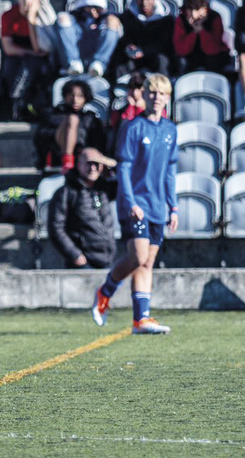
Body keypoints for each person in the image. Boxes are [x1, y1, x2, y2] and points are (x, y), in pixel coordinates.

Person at [91, 73, 178, 335]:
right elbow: (124, 169)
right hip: (135, 204)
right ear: (145, 95)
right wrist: (130, 201)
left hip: (158, 206)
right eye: (152, 92)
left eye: (162, 93)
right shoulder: (132, 127)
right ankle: (105, 291)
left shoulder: (170, 129)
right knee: (138, 256)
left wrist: (173, 207)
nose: (156, 97)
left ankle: (141, 319)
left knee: (147, 263)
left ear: (168, 98)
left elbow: (170, 171)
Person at [48, 147, 117, 269]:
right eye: (88, 163)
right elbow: (55, 227)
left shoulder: (103, 190)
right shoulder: (66, 192)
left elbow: (129, 176)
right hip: (83, 263)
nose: (92, 168)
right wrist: (74, 255)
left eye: (96, 164)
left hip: (107, 261)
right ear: (78, 164)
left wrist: (107, 162)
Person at [0, 0, 57, 118]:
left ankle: (24, 104)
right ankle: (15, 104)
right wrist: (29, 52)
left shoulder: (43, 18)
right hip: (17, 54)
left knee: (33, 66)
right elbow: (8, 48)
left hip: (36, 58)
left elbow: (39, 48)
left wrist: (31, 19)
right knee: (15, 68)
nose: (25, 1)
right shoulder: (8, 16)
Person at [34, 78, 106, 173]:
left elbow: (98, 142)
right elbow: (40, 137)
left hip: (83, 157)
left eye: (80, 96)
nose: (75, 100)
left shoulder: (90, 117)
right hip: (57, 153)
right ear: (65, 96)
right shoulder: (53, 114)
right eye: (71, 95)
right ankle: (67, 162)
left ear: (85, 98)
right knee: (72, 119)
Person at [109, 0, 175, 81]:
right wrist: (129, 46)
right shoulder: (128, 17)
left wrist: (144, 50)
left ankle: (162, 87)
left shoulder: (166, 20)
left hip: (154, 55)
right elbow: (124, 37)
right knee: (120, 58)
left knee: (162, 59)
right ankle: (121, 89)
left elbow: (164, 43)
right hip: (134, 56)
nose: (144, 2)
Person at [54, 0, 122, 78]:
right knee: (62, 18)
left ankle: (99, 63)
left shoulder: (107, 19)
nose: (94, 11)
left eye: (97, 8)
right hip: (74, 62)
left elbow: (118, 34)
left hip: (98, 65)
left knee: (113, 22)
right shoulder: (73, 18)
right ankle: (73, 63)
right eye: (90, 7)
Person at [173, 0, 231, 76]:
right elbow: (180, 50)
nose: (193, 14)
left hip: (212, 55)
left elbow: (213, 49)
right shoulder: (181, 19)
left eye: (196, 9)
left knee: (213, 60)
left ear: (204, 8)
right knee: (181, 61)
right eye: (190, 9)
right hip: (191, 55)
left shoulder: (215, 18)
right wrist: (193, 33)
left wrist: (202, 31)